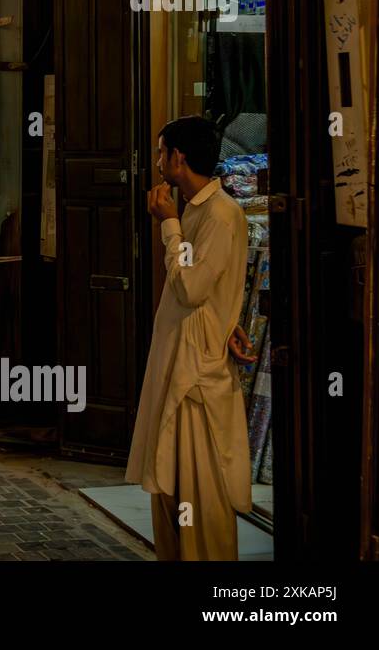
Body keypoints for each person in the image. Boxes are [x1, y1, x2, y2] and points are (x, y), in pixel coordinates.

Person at [127, 115, 255, 560]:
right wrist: (227, 321)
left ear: (178, 158)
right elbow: (209, 289)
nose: (158, 162)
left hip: (197, 376)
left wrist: (168, 224)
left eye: (162, 153)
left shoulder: (220, 213)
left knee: (199, 495)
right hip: (181, 360)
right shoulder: (199, 209)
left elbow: (190, 286)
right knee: (170, 489)